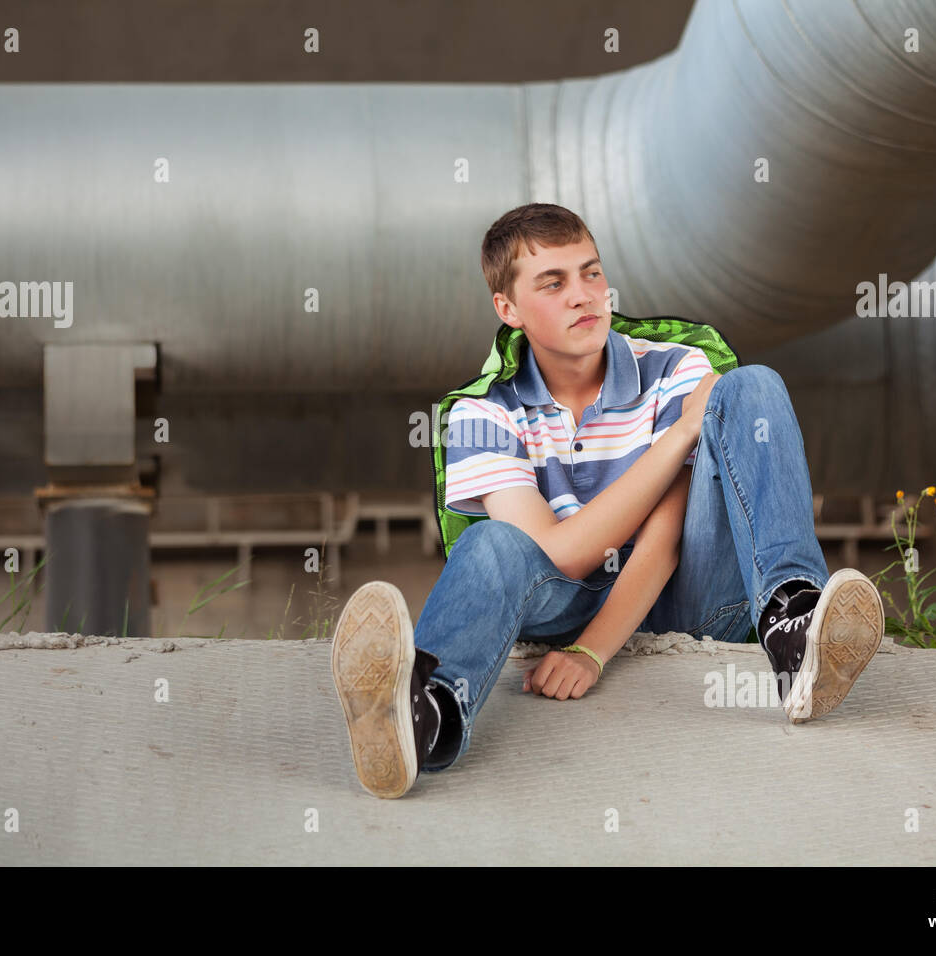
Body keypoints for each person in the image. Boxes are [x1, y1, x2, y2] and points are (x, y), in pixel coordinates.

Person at [331, 202, 884, 799]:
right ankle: (429, 715)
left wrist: (594, 654)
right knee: (494, 541)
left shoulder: (677, 368)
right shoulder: (481, 413)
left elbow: (668, 539)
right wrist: (676, 439)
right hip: (560, 604)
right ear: (508, 310)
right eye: (554, 281)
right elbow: (560, 555)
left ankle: (792, 625)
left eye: (591, 273)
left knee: (752, 385)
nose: (584, 295)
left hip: (689, 596)